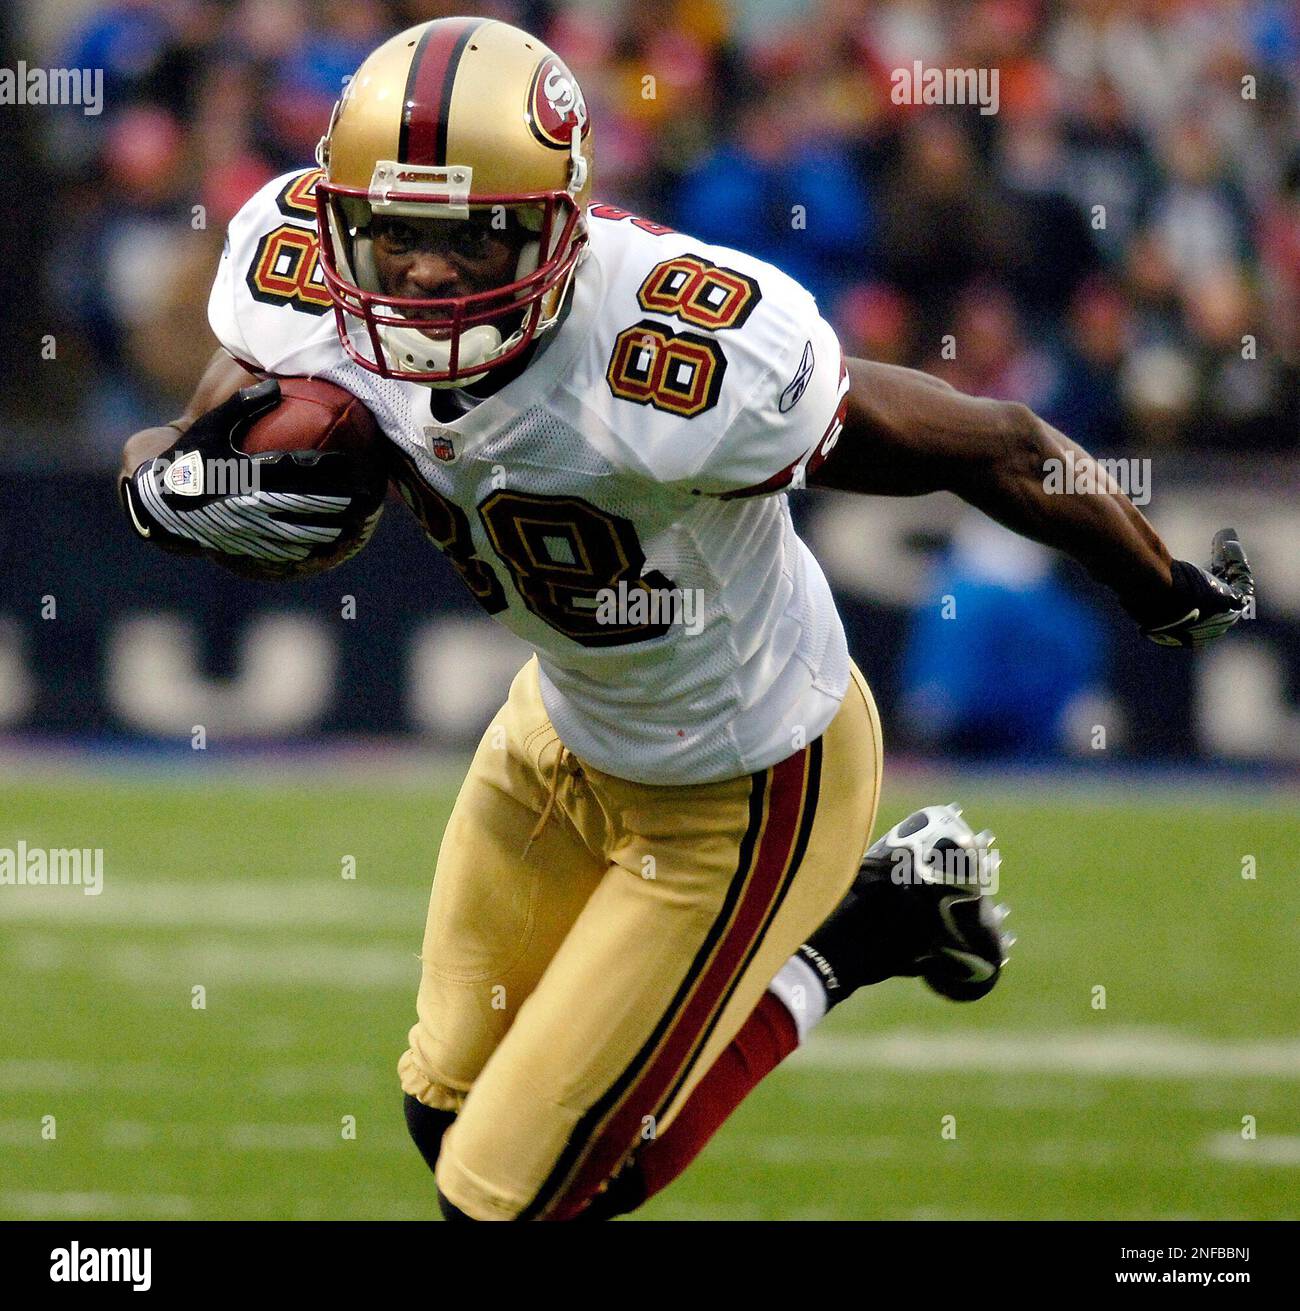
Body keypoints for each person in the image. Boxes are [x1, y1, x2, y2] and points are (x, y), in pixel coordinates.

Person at [117, 17, 1254, 1221]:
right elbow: (190, 441)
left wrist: (1161, 584)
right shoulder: (301, 281)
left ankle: (845, 943)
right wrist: (166, 488)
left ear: (556, 225)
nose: (431, 277)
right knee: (442, 1116)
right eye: (397, 237)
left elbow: (996, 446)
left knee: (505, 1199)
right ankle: (889, 918)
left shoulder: (669, 354)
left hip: (750, 775)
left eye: (475, 236)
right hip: (560, 728)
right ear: (342, 219)